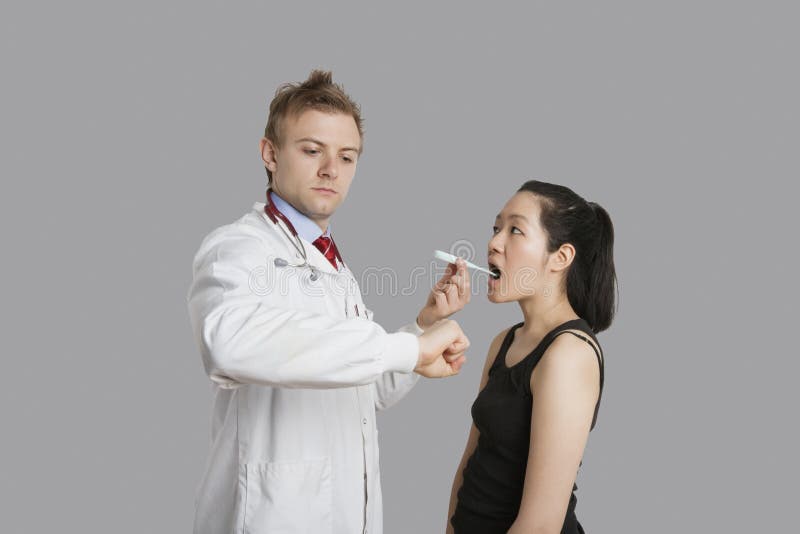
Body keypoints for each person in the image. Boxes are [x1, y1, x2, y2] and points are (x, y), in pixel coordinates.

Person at [187, 70, 472, 534]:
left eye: (346, 156)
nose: (330, 170)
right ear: (270, 153)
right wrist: (407, 350)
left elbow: (366, 391)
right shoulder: (238, 248)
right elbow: (228, 344)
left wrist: (422, 327)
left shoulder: (332, 266)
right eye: (311, 150)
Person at [447, 180, 617, 534]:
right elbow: (470, 466)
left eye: (515, 231)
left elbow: (540, 525)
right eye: (495, 229)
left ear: (561, 257)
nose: (493, 243)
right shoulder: (504, 342)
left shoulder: (569, 354)